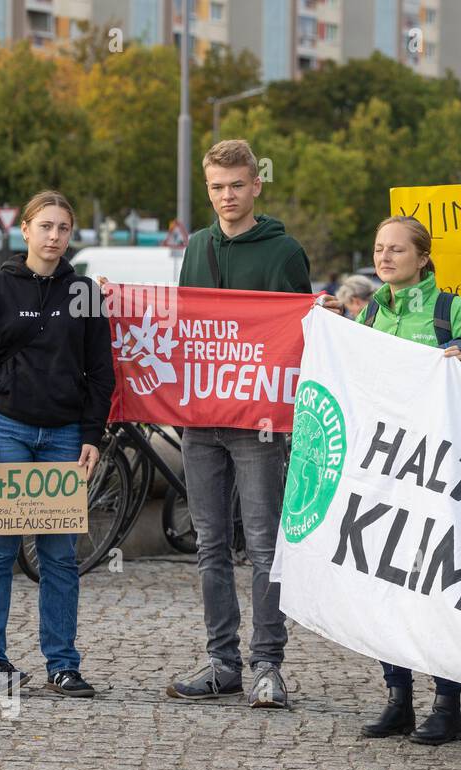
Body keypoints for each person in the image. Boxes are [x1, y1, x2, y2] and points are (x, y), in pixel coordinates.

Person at [165, 139, 312, 709]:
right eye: (216, 188)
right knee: (209, 546)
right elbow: (182, 322)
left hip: (259, 423)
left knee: (265, 547)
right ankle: (222, 662)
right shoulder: (197, 246)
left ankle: (268, 665)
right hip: (202, 419)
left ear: (256, 185)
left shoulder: (283, 252)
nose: (227, 196)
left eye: (236, 186)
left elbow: (297, 333)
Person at [0, 190, 113, 698]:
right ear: (25, 230)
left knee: (61, 555)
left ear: (72, 235)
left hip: (65, 434)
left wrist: (92, 434)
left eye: (63, 228)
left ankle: (63, 663)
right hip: (6, 431)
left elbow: (100, 372)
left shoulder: (84, 292)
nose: (54, 236)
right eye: (45, 226)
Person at [356, 215, 461, 746]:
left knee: (438, 584)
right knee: (385, 581)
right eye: (379, 248)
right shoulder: (370, 311)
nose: (386, 257)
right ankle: (397, 698)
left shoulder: (451, 310)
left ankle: (447, 705)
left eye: (397, 249)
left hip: (437, 473)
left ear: (423, 257)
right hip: (384, 471)